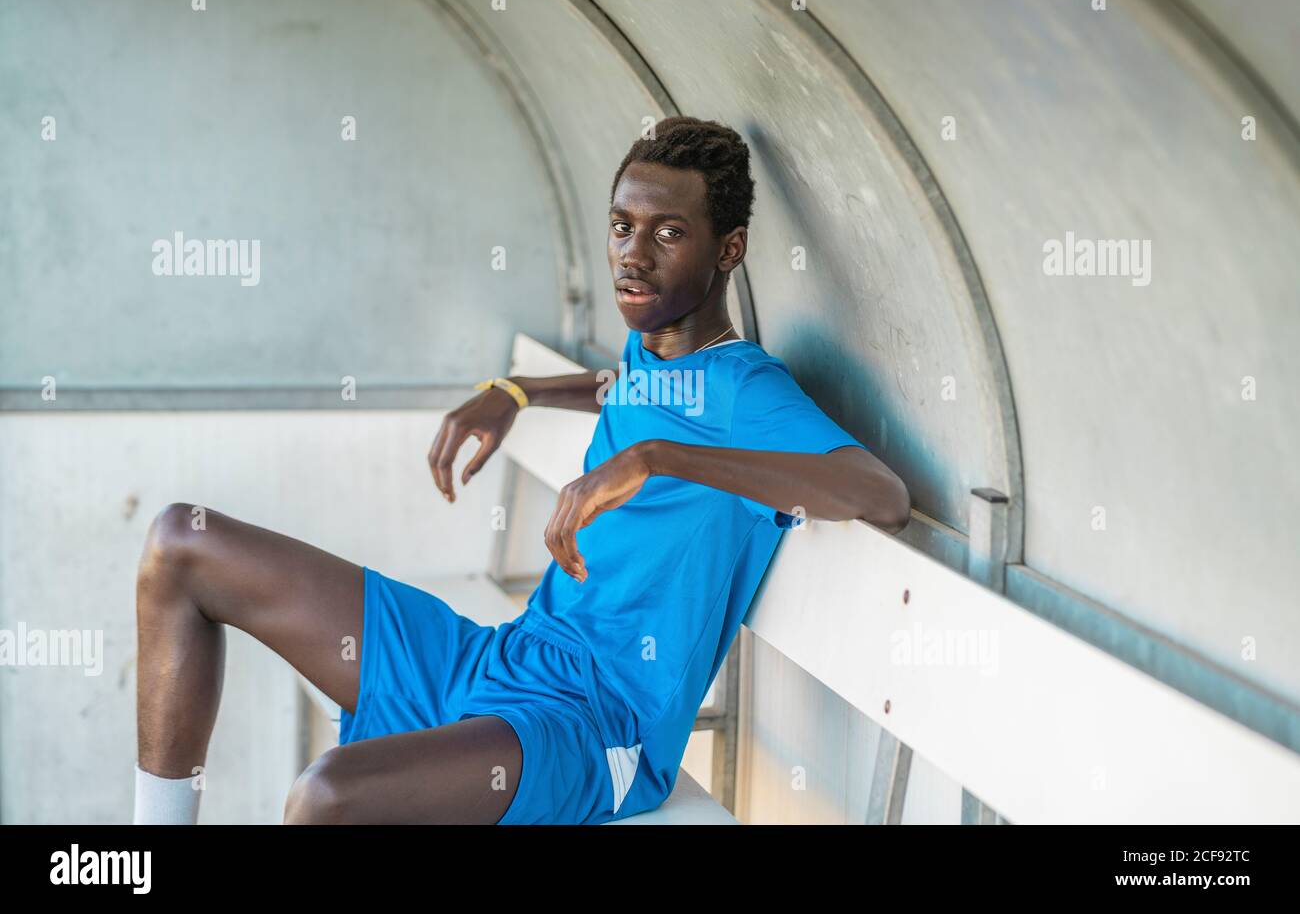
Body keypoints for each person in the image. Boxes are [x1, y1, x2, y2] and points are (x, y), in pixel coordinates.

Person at [132, 116, 911, 825]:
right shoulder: (654, 348)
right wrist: (519, 393)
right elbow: (624, 389)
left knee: (328, 796)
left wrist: (654, 459)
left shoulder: (750, 391)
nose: (633, 256)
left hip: (590, 727)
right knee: (182, 545)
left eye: (669, 233)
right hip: (502, 657)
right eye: (621, 227)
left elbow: (880, 494)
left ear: (728, 250)